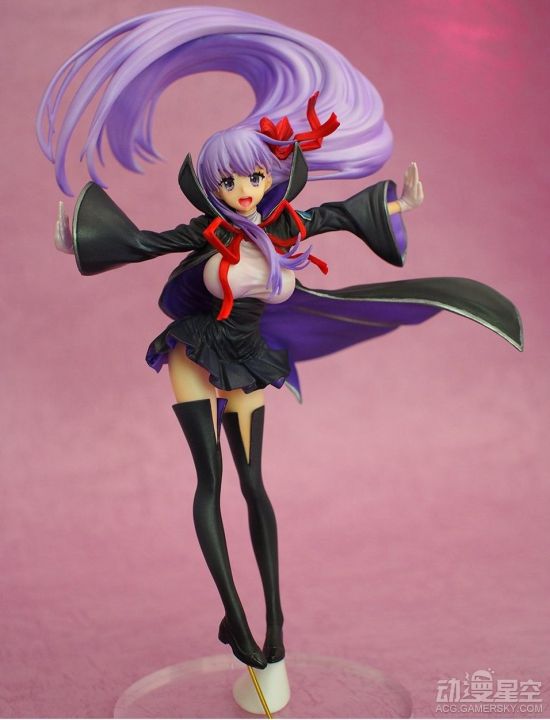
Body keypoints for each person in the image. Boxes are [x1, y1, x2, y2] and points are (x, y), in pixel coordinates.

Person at [37, 7, 522, 671]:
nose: (242, 191)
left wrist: (397, 205)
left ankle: (275, 623)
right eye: (228, 181)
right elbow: (144, 242)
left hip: (248, 358)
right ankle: (235, 617)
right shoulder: (207, 231)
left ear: (270, 177)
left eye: (253, 178)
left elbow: (339, 214)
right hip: (195, 350)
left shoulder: (288, 226)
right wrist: (80, 240)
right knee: (209, 482)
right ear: (212, 186)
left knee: (254, 484)